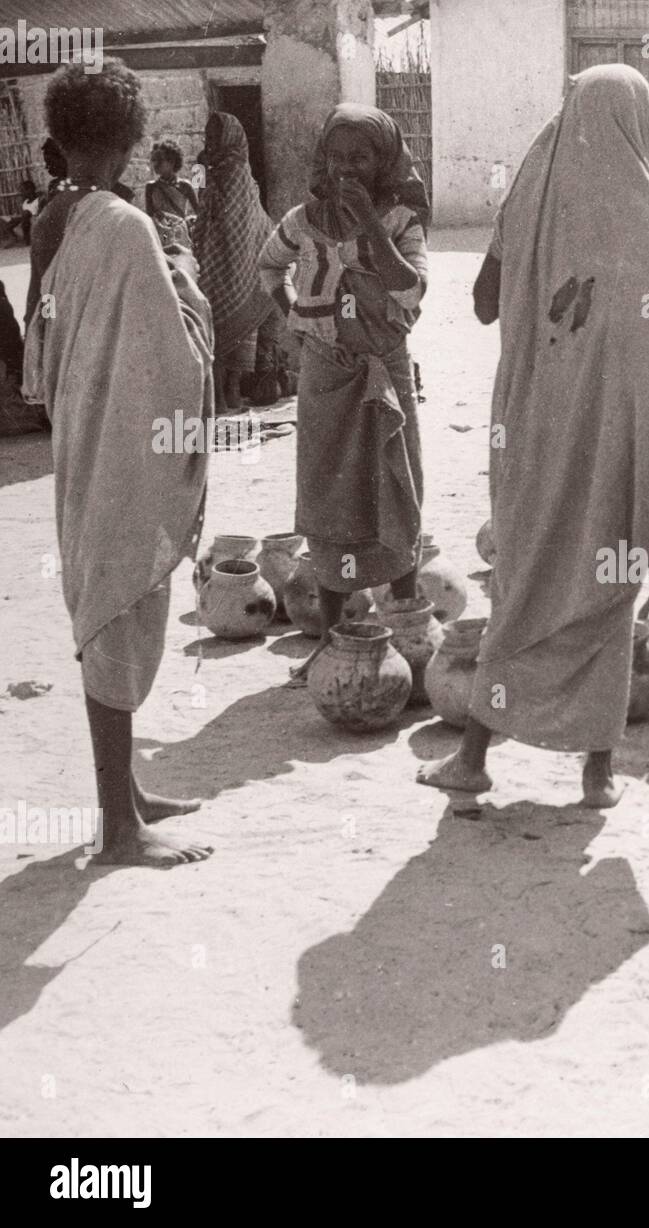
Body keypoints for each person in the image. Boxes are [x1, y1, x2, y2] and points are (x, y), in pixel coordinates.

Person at [418, 64, 649, 808]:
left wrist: (546, 299)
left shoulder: (536, 184)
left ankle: (474, 757)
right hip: (613, 446)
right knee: (607, 592)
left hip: (530, 429)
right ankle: (597, 774)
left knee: (523, 578)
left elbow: (486, 301)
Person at [22, 60, 214, 866]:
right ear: (133, 145)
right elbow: (177, 347)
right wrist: (186, 282)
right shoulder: (128, 227)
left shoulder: (48, 220)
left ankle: (126, 790)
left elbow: (38, 347)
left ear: (56, 143)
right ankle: (119, 831)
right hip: (124, 438)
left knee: (104, 595)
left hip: (81, 429)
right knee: (114, 605)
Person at [258, 103, 429, 685]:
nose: (348, 168)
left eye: (362, 157)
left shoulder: (403, 218)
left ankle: (408, 635)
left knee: (396, 490)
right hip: (325, 377)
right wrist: (297, 322)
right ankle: (332, 643)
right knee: (330, 497)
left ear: (384, 161)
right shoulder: (302, 220)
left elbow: (411, 292)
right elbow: (267, 268)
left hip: (385, 370)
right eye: (338, 156)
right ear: (323, 160)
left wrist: (372, 228)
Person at [193, 113, 277, 413]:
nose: (210, 142)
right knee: (214, 327)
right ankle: (220, 394)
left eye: (215, 137)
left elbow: (237, 223)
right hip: (216, 261)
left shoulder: (238, 172)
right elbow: (202, 205)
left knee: (235, 332)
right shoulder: (210, 170)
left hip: (237, 263)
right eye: (208, 136)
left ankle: (230, 392)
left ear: (230, 138)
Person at [144, 138, 199, 248]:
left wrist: (190, 222)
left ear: (172, 162)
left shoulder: (185, 186)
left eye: (160, 160)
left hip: (180, 235)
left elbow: (199, 212)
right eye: (154, 160)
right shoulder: (151, 187)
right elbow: (149, 215)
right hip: (160, 235)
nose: (156, 164)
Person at [4, 179, 39, 244]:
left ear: (30, 190)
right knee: (9, 221)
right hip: (25, 223)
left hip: (35, 221)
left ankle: (27, 239)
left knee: (26, 213)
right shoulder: (25, 202)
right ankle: (14, 237)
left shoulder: (38, 200)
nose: (21, 193)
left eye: (23, 191)